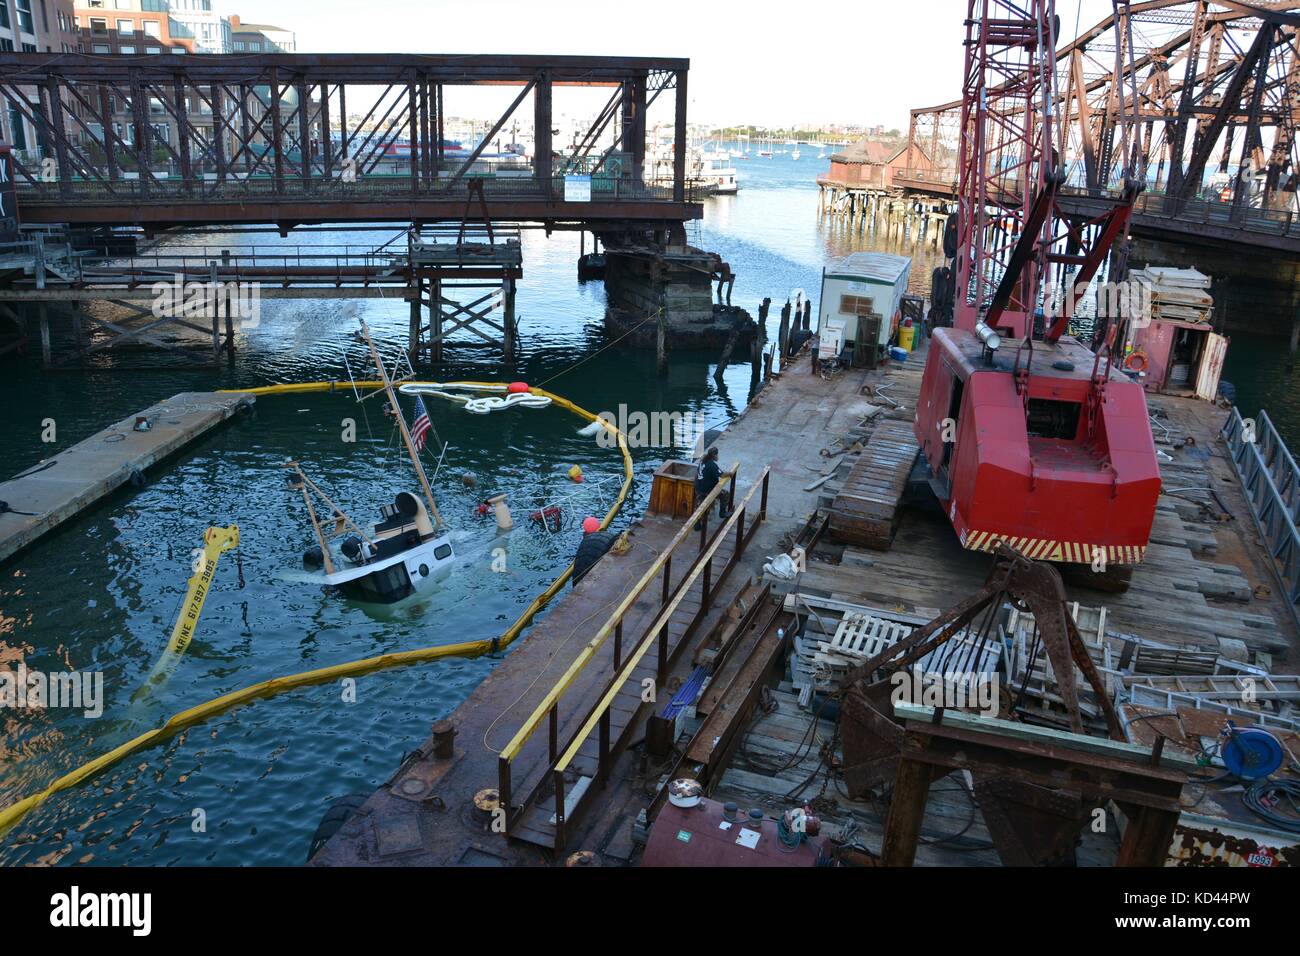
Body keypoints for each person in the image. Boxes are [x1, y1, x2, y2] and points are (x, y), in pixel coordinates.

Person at [694, 447, 729, 529]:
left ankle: (697, 524)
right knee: (725, 494)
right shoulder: (712, 464)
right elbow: (722, 475)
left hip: (699, 488)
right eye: (717, 454)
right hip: (708, 490)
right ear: (714, 455)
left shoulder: (702, 460)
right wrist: (730, 473)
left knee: (699, 506)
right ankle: (722, 512)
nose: (718, 456)